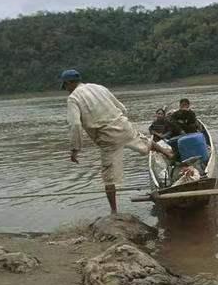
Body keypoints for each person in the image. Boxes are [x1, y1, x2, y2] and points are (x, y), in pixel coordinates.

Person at [61, 69, 173, 214]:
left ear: (68, 83)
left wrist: (75, 149)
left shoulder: (73, 98)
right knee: (144, 142)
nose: (66, 90)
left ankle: (114, 212)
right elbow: (122, 108)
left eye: (65, 87)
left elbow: (75, 125)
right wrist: (119, 121)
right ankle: (168, 154)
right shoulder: (98, 87)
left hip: (107, 138)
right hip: (123, 126)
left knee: (109, 177)